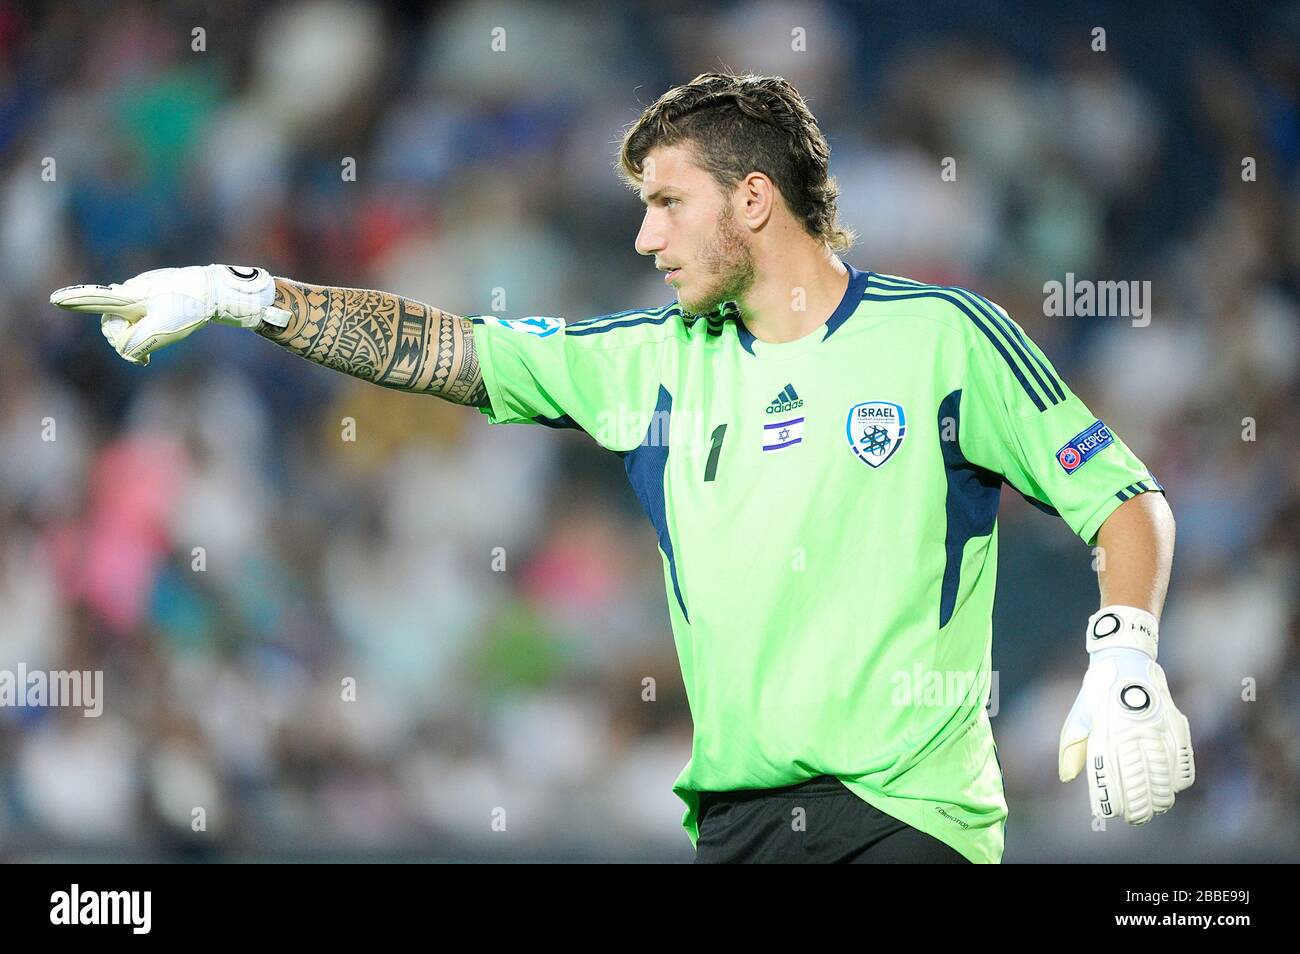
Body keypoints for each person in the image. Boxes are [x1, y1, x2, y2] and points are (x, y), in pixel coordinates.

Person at [51, 72, 1193, 864]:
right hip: (736, 826)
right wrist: (244, 296)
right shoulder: (641, 363)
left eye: (666, 205)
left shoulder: (943, 338)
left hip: (908, 821)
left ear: (755, 199)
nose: (644, 239)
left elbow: (1122, 498)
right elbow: (443, 349)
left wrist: (1125, 654)